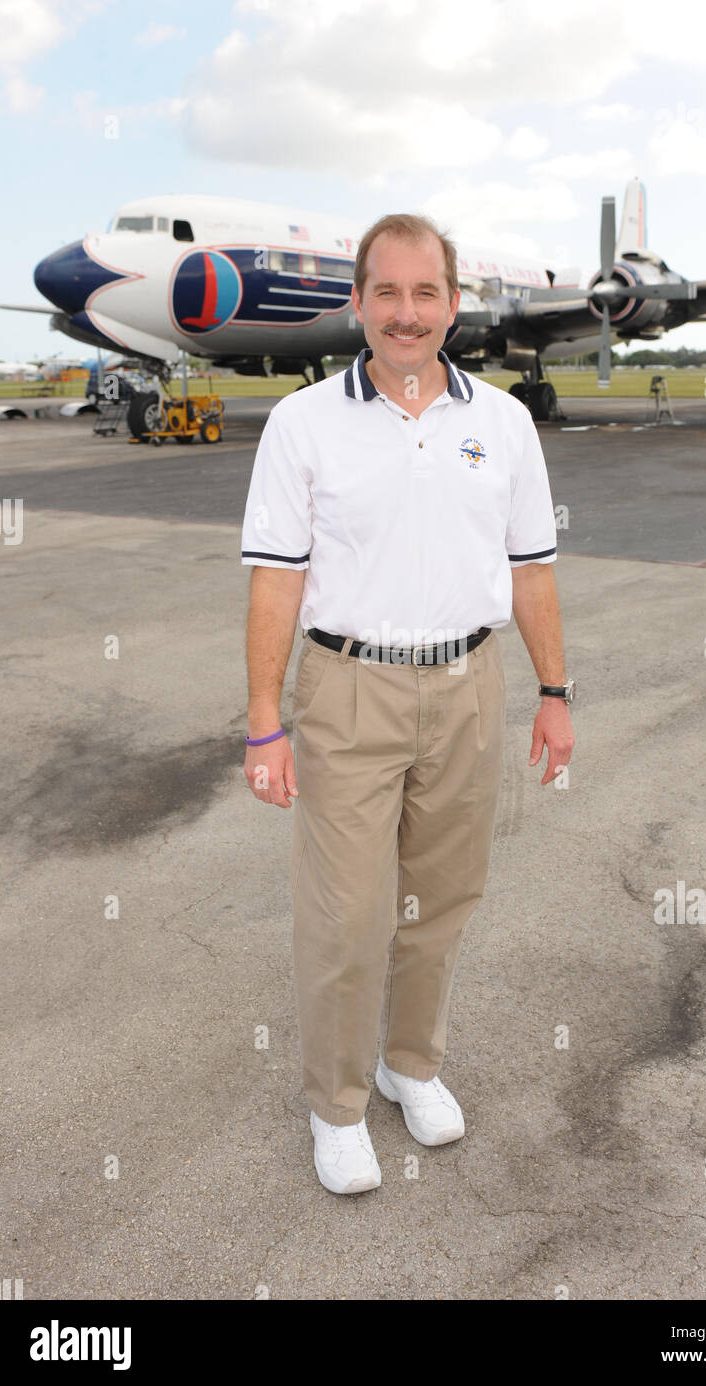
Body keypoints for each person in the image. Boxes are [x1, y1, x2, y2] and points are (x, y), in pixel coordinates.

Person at [240, 213, 574, 1194]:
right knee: (347, 915)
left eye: (425, 293)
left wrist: (555, 691)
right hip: (348, 687)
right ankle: (337, 1104)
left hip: (469, 684)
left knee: (442, 900)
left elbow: (531, 569)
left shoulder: (502, 424)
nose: (405, 313)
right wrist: (263, 723)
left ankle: (410, 1064)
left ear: (452, 305)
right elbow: (275, 580)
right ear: (358, 302)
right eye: (385, 292)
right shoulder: (303, 423)